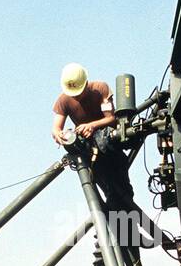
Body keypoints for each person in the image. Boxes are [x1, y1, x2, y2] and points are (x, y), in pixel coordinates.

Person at [51, 63, 135, 212]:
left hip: (109, 147)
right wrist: (59, 134)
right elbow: (56, 128)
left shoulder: (100, 89)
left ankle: (125, 226)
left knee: (122, 192)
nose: (75, 95)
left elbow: (111, 119)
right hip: (90, 154)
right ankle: (111, 225)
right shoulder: (63, 100)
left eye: (79, 91)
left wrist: (92, 126)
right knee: (105, 195)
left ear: (86, 83)